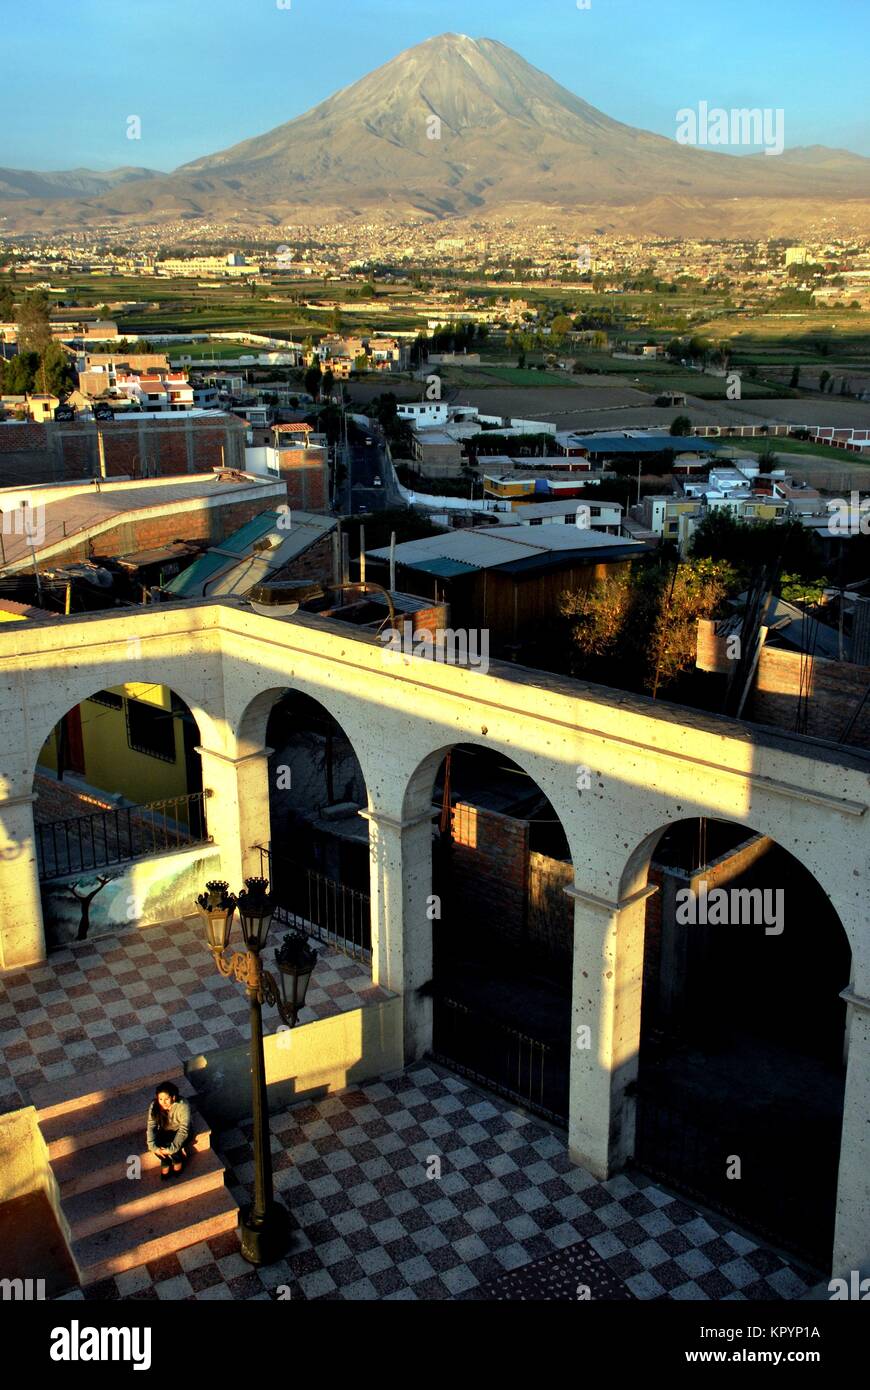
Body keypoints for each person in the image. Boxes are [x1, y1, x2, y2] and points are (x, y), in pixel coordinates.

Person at [146, 1081, 193, 1179]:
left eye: (167, 1099)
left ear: (173, 1097)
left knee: (172, 1147)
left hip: (181, 1131)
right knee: (159, 1144)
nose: (163, 1102)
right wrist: (153, 1146)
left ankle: (177, 1160)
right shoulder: (154, 1105)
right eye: (160, 1099)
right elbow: (151, 1126)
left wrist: (172, 1149)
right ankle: (166, 1161)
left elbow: (183, 1130)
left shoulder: (183, 1105)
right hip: (165, 1131)